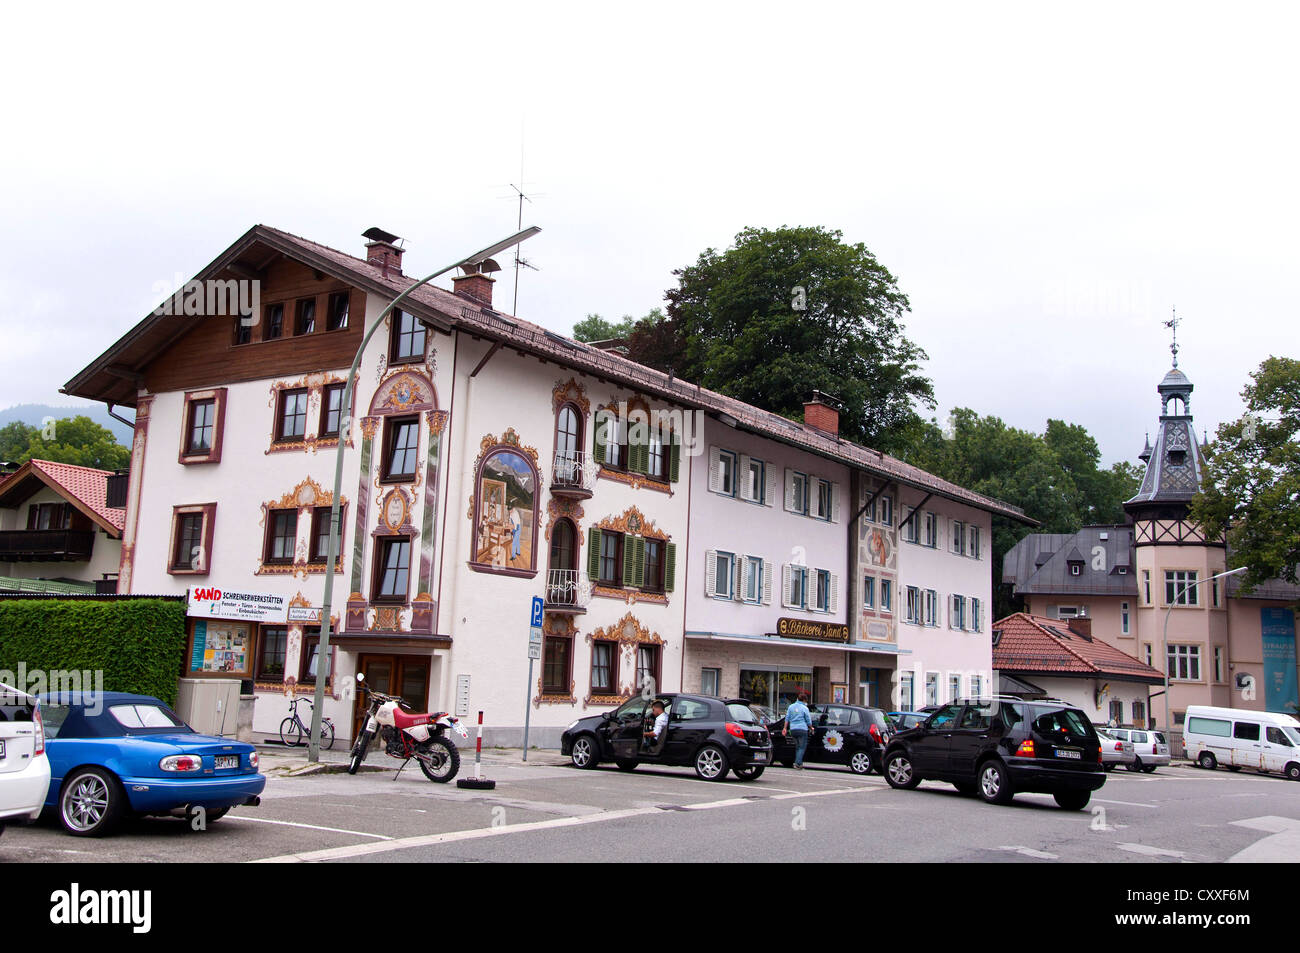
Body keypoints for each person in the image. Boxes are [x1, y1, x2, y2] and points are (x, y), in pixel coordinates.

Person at [783, 693, 815, 768]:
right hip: (802, 729)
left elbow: (787, 718)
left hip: (793, 729)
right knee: (802, 747)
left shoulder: (791, 707)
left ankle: (799, 763)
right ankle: (797, 763)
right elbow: (808, 720)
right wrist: (811, 727)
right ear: (804, 700)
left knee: (797, 746)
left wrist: (785, 728)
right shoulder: (804, 708)